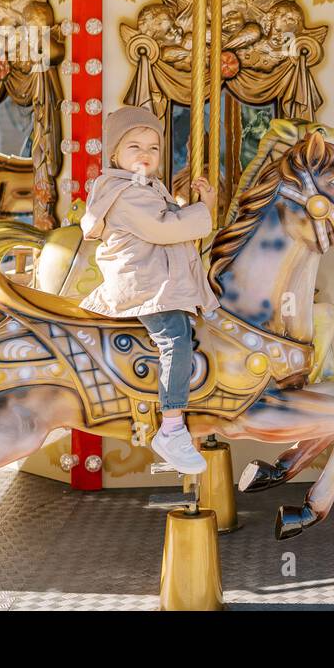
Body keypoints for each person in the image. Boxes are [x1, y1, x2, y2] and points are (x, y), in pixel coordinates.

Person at [80, 106, 219, 474]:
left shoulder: (144, 187)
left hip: (157, 277)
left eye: (154, 148)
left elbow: (166, 221)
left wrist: (185, 206)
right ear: (114, 154)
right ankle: (172, 428)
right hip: (144, 283)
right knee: (175, 338)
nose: (145, 154)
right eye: (134, 147)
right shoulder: (124, 192)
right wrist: (205, 210)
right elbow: (164, 229)